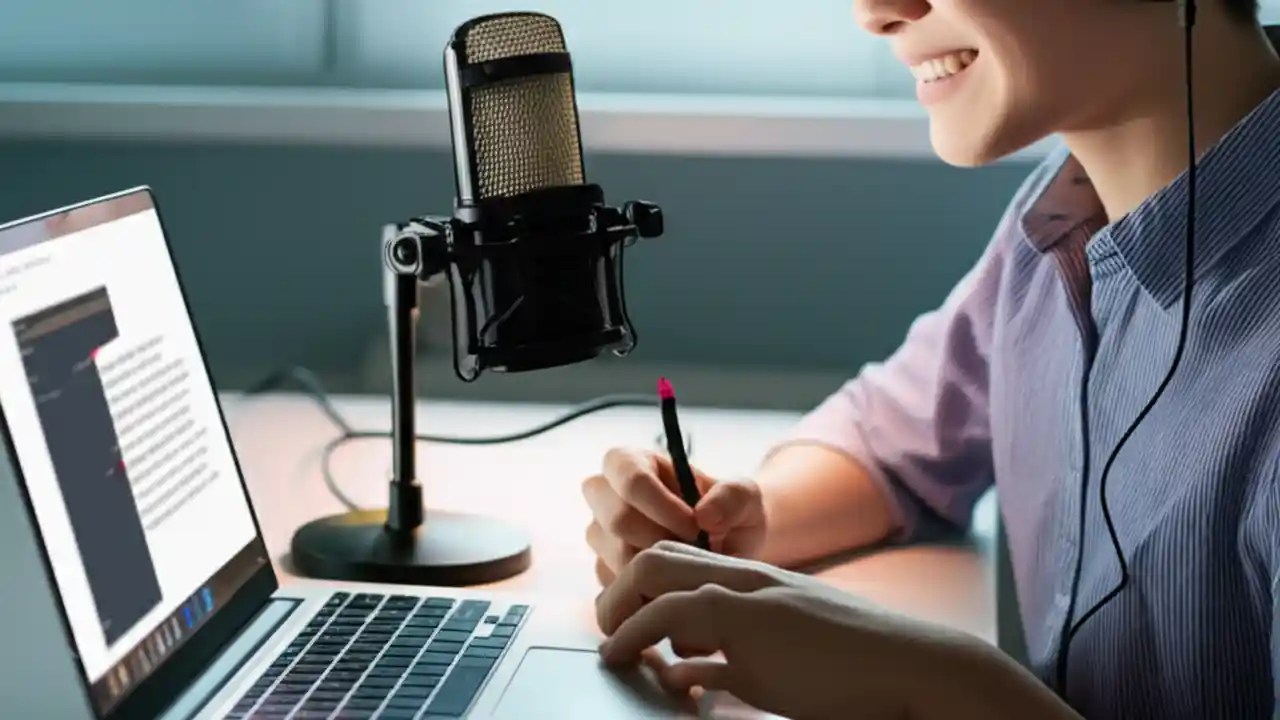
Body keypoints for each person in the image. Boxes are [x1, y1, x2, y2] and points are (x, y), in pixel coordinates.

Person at [582, 0, 1280, 717]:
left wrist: (936, 685)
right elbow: (893, 439)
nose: (875, 13)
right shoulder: (1058, 222)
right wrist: (742, 520)